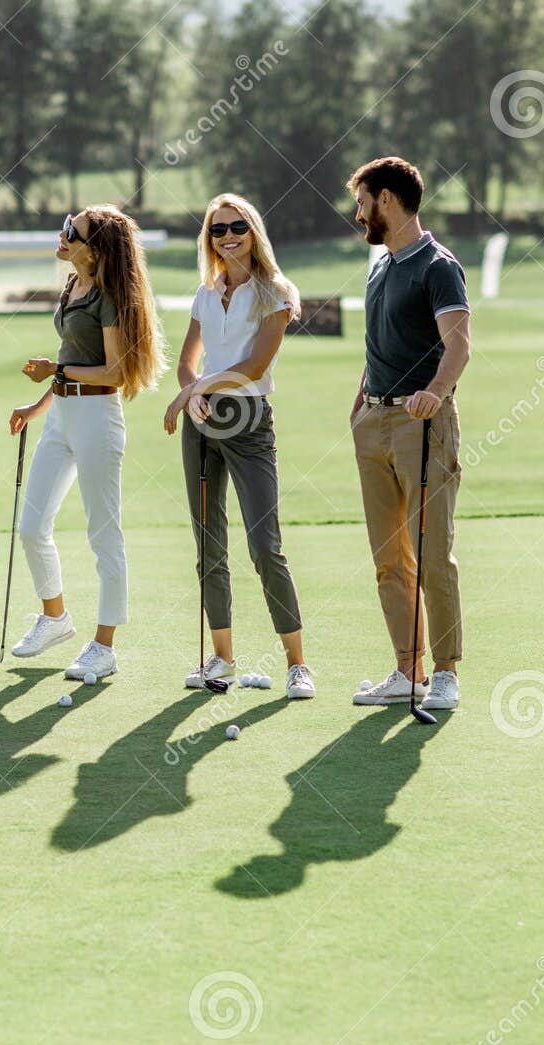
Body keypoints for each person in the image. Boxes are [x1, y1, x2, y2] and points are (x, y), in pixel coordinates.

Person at [164, 193, 314, 699]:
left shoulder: (276, 291)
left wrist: (192, 391)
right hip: (202, 422)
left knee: (264, 547)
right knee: (208, 545)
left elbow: (254, 366)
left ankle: (297, 664)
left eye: (237, 227)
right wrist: (192, 396)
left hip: (249, 423)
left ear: (253, 232)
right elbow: (188, 361)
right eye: (217, 229)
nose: (227, 237)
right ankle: (223, 659)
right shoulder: (206, 293)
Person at [7, 205, 165, 681]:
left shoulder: (111, 298)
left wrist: (56, 373)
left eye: (71, 233)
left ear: (94, 252)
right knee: (32, 527)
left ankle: (104, 645)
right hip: (61, 414)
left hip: (97, 417)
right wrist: (39, 405)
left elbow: (115, 372)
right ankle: (55, 618)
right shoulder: (72, 284)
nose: (62, 236)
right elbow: (69, 358)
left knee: (103, 534)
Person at [347, 157, 469, 712]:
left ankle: (444, 673)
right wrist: (361, 401)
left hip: (423, 423)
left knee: (432, 551)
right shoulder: (381, 264)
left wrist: (435, 394)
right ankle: (407, 670)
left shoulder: (437, 266)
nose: (358, 213)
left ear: (388, 200)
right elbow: (381, 344)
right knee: (389, 557)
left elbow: (459, 345)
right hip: (373, 422)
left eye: (362, 201)